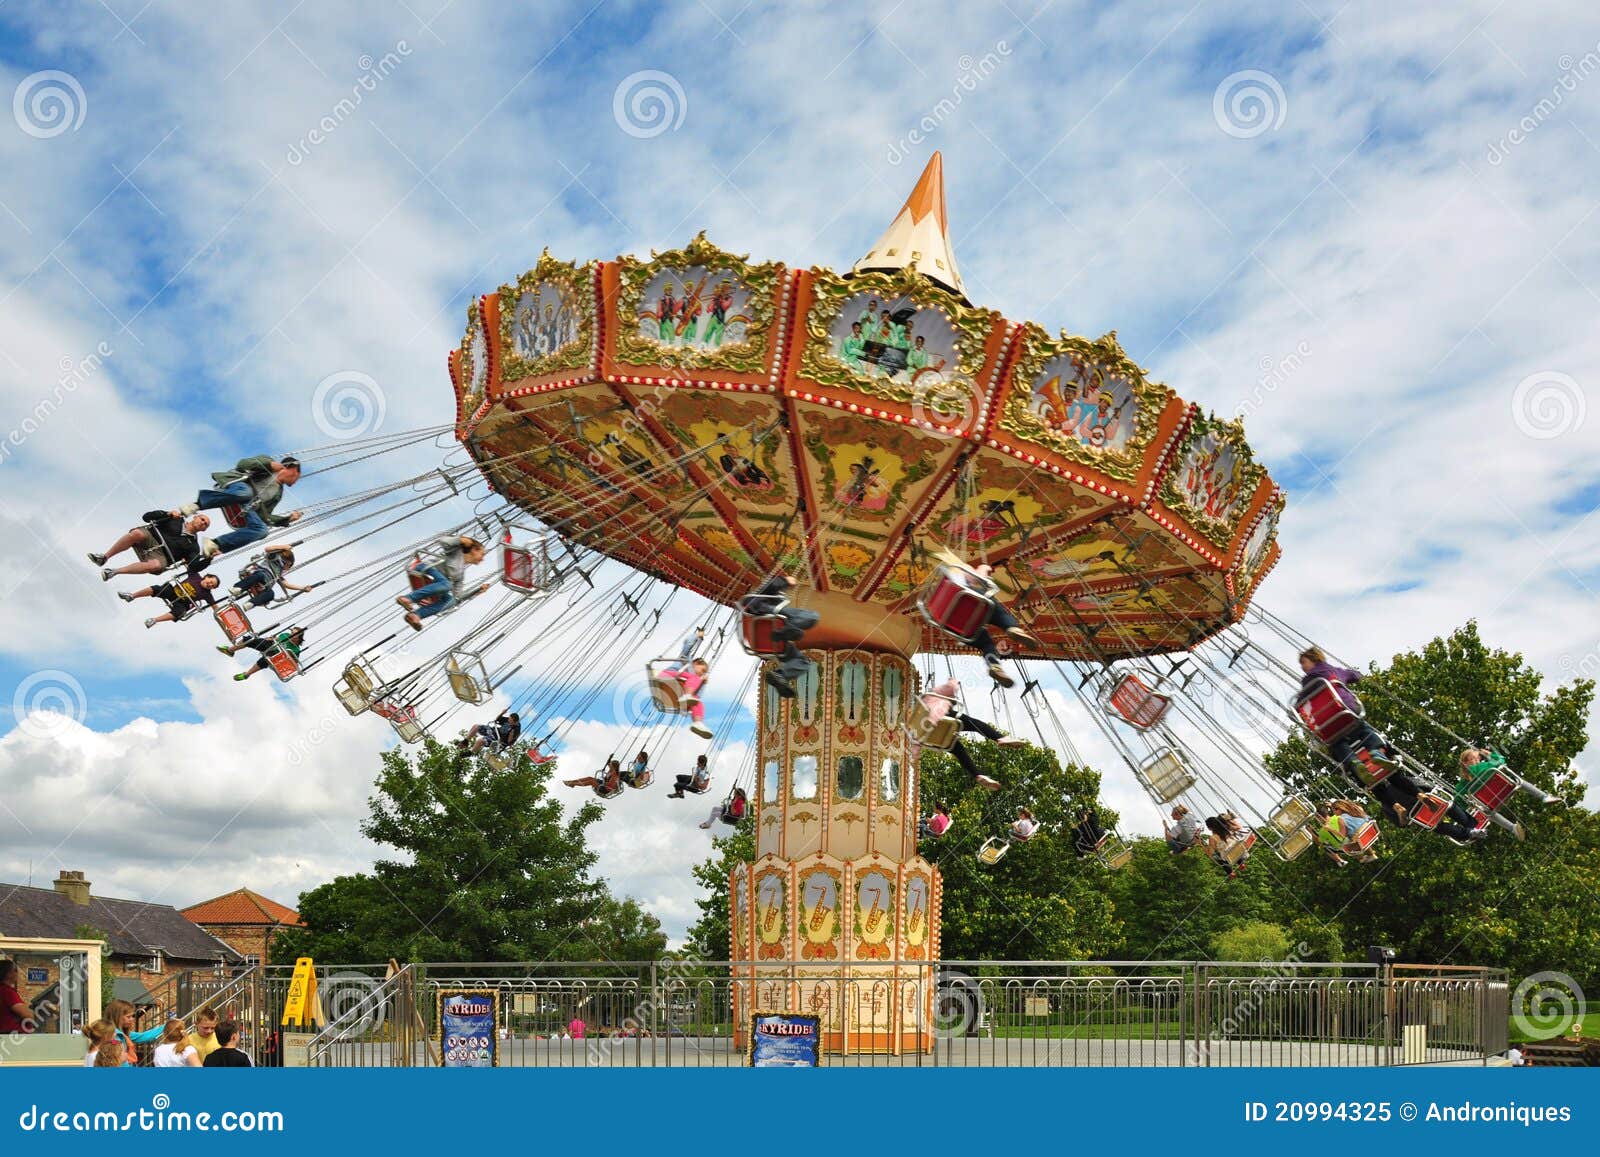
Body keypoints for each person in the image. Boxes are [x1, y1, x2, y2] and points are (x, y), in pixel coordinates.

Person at [1296, 647, 1399, 777]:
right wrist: (1356, 675)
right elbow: (1355, 675)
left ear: (1314, 659)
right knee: (1363, 729)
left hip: (1325, 720)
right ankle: (1375, 751)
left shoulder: (1308, 680)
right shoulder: (1336, 671)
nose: (1302, 667)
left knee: (1335, 741)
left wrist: (1296, 707)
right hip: (1345, 708)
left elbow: (1300, 701)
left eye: (1304, 662)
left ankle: (1353, 762)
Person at [912, 678, 1020, 791]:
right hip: (938, 717)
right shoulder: (934, 697)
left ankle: (978, 774)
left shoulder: (915, 720)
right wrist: (953, 682)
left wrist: (915, 752)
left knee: (957, 749)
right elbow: (950, 687)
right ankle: (999, 738)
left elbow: (915, 744)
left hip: (928, 735)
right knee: (974, 723)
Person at [945, 560, 1038, 687]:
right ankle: (1012, 628)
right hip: (969, 603)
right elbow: (978, 578)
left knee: (986, 644)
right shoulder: (959, 570)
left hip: (952, 623)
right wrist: (984, 568)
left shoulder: (943, 583)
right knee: (996, 609)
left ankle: (995, 666)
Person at [189, 455, 303, 554]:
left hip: (247, 507)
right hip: (239, 488)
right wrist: (268, 464)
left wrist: (286, 519)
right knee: (246, 493)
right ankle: (198, 504)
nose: (295, 482)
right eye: (297, 478)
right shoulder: (269, 462)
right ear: (293, 470)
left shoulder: (277, 495)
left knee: (262, 530)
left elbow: (264, 516)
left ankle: (216, 544)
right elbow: (242, 464)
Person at [745, 572, 819, 698]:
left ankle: (780, 675)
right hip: (768, 619)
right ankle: (787, 631)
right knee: (812, 617)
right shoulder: (758, 598)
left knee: (803, 662)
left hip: (765, 639)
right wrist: (785, 580)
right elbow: (770, 586)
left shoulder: (749, 610)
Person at [91, 509, 216, 579]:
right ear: (195, 517)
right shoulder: (175, 519)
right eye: (202, 519)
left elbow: (193, 566)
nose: (202, 523)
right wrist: (166, 514)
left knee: (155, 565)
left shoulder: (193, 546)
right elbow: (146, 517)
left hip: (161, 555)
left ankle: (113, 572)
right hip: (150, 537)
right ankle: (104, 557)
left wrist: (209, 558)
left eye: (205, 524)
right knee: (137, 534)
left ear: (204, 530)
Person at [397, 535, 489, 629]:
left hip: (437, 583)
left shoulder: (460, 575)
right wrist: (460, 540)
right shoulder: (455, 552)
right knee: (447, 584)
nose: (482, 559)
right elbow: (444, 541)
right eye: (482, 554)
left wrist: (476, 591)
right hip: (426, 569)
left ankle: (415, 615)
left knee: (452, 601)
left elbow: (458, 596)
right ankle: (408, 598)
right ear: (474, 550)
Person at [1458, 748, 1558, 807]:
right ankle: (1543, 796)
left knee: (1488, 811)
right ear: (1467, 762)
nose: (1478, 759)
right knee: (1518, 780)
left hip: (1490, 802)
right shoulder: (1481, 767)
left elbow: (1459, 798)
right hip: (1504, 790)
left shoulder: (1463, 783)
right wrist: (1490, 754)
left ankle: (1511, 827)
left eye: (1478, 757)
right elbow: (1500, 762)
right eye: (1475, 758)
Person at [119, 570, 221, 627]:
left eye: (213, 586)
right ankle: (132, 596)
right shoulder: (195, 575)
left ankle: (154, 620)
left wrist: (221, 617)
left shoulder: (207, 594)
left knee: (180, 612)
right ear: (207, 577)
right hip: (173, 592)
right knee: (157, 589)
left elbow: (215, 607)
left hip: (182, 602)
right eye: (211, 581)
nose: (210, 584)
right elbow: (189, 563)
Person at [231, 545, 313, 608]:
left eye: (289, 566)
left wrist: (302, 588)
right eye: (287, 564)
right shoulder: (273, 558)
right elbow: (268, 549)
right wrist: (283, 547)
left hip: (263, 585)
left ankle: (251, 603)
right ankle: (238, 588)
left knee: (271, 594)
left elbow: (286, 585)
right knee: (260, 575)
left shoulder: (278, 575)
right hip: (260, 574)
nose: (287, 567)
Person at [218, 626, 306, 681]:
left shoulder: (296, 649)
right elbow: (276, 638)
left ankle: (246, 674)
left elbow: (294, 663)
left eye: (294, 634)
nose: (291, 635)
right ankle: (230, 650)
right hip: (271, 645)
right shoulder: (285, 635)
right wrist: (271, 638)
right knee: (250, 639)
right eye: (292, 632)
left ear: (299, 637)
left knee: (266, 660)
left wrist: (289, 663)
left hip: (276, 654)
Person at [658, 656, 714, 739]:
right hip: (668, 676)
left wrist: (702, 683)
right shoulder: (686, 666)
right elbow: (685, 653)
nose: (703, 673)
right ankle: (687, 696)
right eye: (703, 670)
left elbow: (697, 695)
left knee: (697, 702)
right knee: (695, 678)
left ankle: (698, 723)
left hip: (676, 691)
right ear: (695, 664)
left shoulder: (690, 680)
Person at [1314, 801, 1379, 866]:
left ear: (1338, 810)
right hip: (1371, 831)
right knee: (1357, 834)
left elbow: (1342, 835)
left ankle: (1360, 858)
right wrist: (1333, 805)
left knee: (1344, 845)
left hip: (1360, 841)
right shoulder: (1354, 810)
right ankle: (1371, 854)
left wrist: (1330, 829)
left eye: (1334, 811)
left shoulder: (1341, 819)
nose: (1334, 813)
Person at [105, 998, 166, 1065]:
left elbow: (144, 1036)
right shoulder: (114, 1036)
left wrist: (167, 1025)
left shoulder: (124, 1034)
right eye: (128, 1017)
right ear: (117, 1017)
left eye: (132, 1016)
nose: (132, 1019)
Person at [0, 959, 32, 1036]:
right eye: (15, 970)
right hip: (12, 1035)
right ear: (9, 974)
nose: (17, 973)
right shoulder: (7, 991)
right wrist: (31, 1012)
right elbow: (27, 1014)